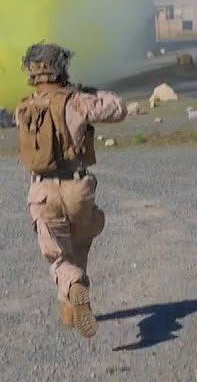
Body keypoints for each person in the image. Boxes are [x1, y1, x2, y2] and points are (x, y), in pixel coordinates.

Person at [13, 42, 126, 338]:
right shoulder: (77, 101)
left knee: (58, 257)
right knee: (80, 244)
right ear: (60, 67)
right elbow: (118, 110)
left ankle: (73, 288)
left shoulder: (24, 107)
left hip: (42, 192)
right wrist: (94, 93)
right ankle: (70, 308)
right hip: (77, 188)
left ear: (33, 72)